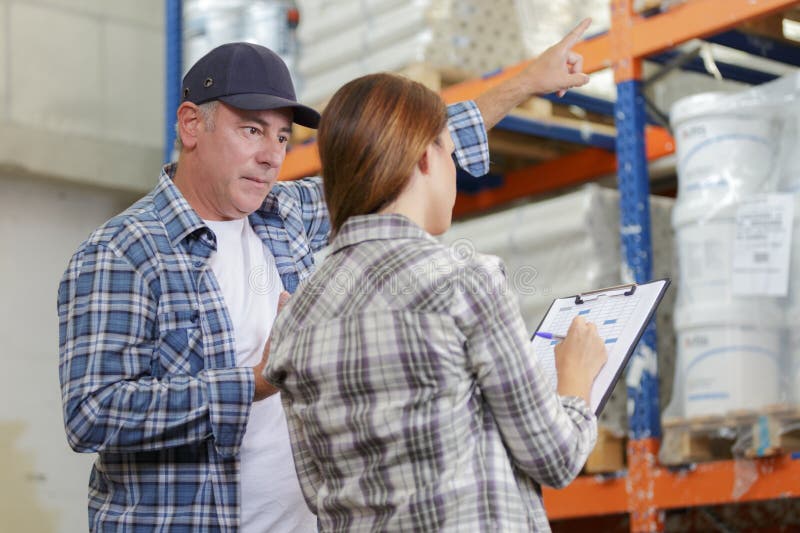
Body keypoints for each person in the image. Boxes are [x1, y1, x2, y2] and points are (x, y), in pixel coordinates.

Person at [58, 18, 594, 532]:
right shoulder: (122, 253)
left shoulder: (282, 212)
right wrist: (255, 383)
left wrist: (528, 81)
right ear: (192, 124)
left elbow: (404, 151)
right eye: (252, 130)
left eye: (282, 137)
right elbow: (92, 412)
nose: (271, 157)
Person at [263, 58, 607, 533]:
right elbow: (555, 457)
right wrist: (576, 379)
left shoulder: (295, 318)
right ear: (425, 157)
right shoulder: (467, 282)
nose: (454, 173)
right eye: (449, 152)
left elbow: (319, 493)